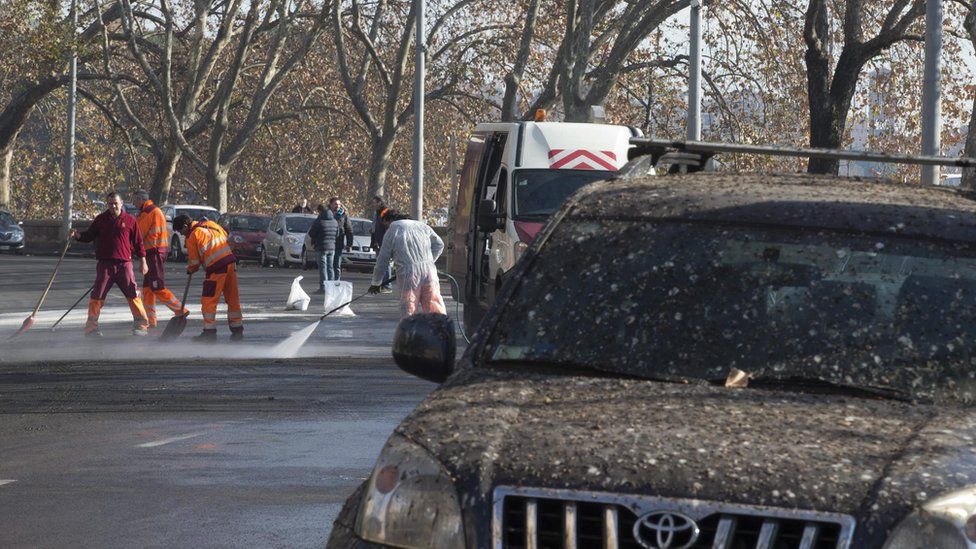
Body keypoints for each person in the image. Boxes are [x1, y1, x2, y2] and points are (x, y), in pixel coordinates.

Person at [69, 191, 150, 337]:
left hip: (124, 264)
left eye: (115, 203)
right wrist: (77, 235)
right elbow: (89, 235)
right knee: (97, 294)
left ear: (122, 203)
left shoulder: (130, 220)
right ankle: (91, 328)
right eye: (110, 204)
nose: (113, 206)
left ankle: (141, 325)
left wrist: (143, 261)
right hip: (105, 264)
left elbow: (138, 243)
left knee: (132, 293)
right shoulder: (101, 219)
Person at [173, 214, 243, 342]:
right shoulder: (212, 224)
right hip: (231, 263)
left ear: (185, 226)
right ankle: (237, 329)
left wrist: (190, 269)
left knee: (208, 300)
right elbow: (228, 240)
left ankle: (209, 332)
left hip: (217, 268)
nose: (182, 234)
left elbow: (194, 262)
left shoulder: (193, 235)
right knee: (232, 297)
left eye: (181, 231)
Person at [368, 210, 447, 318]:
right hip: (430, 272)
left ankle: (410, 328)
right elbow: (439, 244)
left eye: (385, 225)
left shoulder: (393, 229)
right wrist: (429, 262)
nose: (386, 228)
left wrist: (376, 283)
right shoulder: (422, 226)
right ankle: (440, 328)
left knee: (409, 307)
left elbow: (383, 260)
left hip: (408, 274)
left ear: (389, 220)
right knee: (434, 307)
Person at [132, 190, 188, 328]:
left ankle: (180, 309)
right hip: (154, 253)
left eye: (134, 200)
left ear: (140, 199)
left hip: (154, 253)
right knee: (148, 289)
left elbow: (138, 235)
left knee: (157, 286)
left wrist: (128, 248)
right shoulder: (154, 211)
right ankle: (151, 320)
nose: (133, 203)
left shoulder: (148, 212)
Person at [307, 203, 339, 293]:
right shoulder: (335, 221)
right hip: (332, 247)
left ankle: (323, 287)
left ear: (320, 211)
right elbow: (337, 234)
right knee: (330, 267)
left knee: (323, 268)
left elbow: (311, 233)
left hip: (321, 247)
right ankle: (331, 287)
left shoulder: (319, 221)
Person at [369, 195, 393, 293]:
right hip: (378, 241)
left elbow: (387, 228)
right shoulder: (377, 212)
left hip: (384, 242)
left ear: (379, 202)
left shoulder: (385, 212)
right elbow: (376, 226)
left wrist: (383, 241)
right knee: (380, 264)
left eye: (374, 202)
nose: (373, 204)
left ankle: (387, 285)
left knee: (385, 264)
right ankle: (382, 284)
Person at [329, 197, 354, 280]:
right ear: (331, 204)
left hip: (338, 243)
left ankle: (336, 282)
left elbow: (349, 230)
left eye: (339, 204)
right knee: (328, 265)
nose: (338, 206)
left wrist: (349, 244)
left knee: (336, 265)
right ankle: (327, 283)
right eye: (335, 204)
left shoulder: (343, 214)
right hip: (327, 244)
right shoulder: (326, 213)